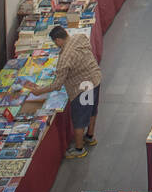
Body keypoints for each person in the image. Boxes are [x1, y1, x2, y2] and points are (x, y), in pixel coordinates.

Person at [26, 26, 101, 159]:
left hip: (82, 88)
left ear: (59, 40)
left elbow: (57, 84)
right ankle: (90, 136)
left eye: (55, 42)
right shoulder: (80, 37)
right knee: (92, 110)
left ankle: (79, 149)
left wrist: (39, 91)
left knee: (79, 118)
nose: (56, 45)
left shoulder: (64, 57)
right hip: (95, 79)